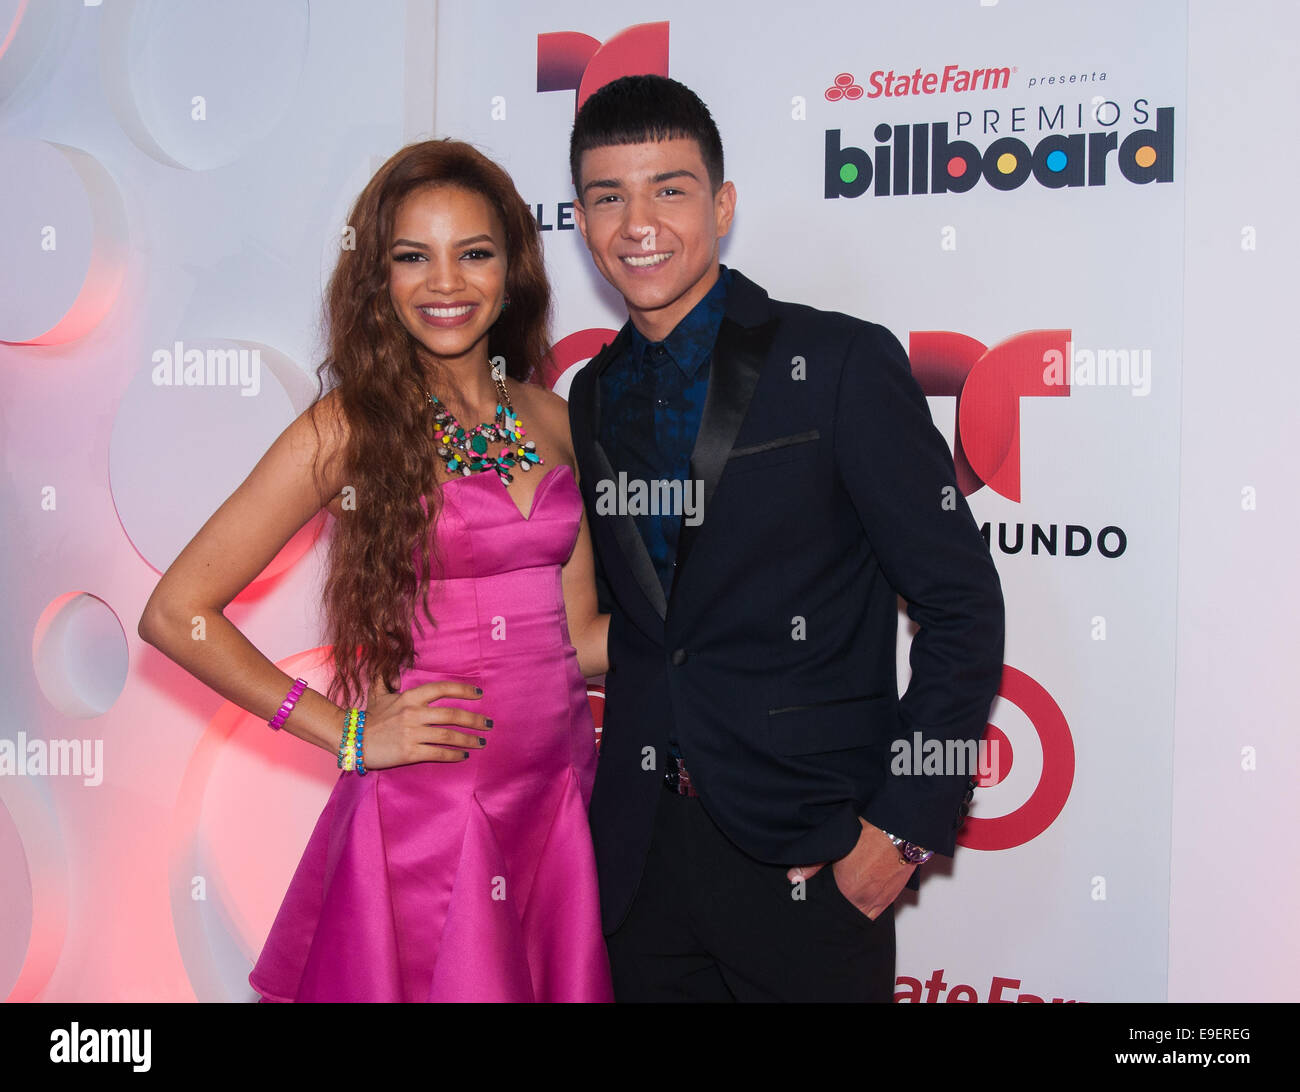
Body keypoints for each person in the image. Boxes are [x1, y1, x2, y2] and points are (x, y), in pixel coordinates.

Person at [138, 139, 614, 1003]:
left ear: (511, 271)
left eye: (473, 254)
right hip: (430, 814)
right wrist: (347, 734)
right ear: (379, 279)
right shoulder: (348, 427)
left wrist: (726, 617)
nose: (446, 283)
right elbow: (178, 612)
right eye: (411, 258)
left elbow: (580, 640)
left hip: (554, 798)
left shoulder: (552, 417)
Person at [565, 75, 1005, 1002]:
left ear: (722, 206)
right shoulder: (592, 395)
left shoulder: (838, 362)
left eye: (669, 189)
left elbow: (962, 606)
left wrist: (901, 837)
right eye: (609, 196)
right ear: (581, 219)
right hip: (643, 860)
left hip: (812, 858)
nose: (638, 221)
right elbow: (651, 625)